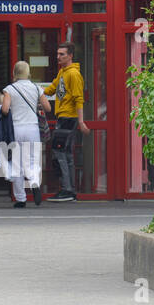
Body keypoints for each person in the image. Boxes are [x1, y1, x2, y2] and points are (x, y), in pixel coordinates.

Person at [1, 61, 50, 208]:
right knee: (33, 160)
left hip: (16, 129)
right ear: (28, 72)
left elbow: (5, 109)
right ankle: (34, 181)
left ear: (15, 73)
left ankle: (21, 199)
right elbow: (47, 107)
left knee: (17, 163)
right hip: (32, 128)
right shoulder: (36, 88)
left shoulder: (10, 89)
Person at [44, 42, 87, 202]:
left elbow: (79, 98)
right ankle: (69, 189)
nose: (58, 57)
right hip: (64, 117)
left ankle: (67, 189)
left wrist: (81, 121)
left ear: (70, 55)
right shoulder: (62, 72)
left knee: (59, 152)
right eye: (57, 54)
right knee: (65, 153)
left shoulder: (73, 74)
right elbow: (50, 90)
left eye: (62, 54)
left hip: (69, 118)